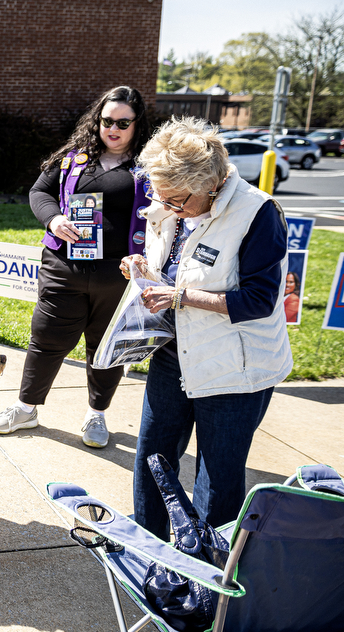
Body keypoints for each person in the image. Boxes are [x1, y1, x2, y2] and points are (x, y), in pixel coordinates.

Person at [122, 116, 292, 541]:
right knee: (153, 458)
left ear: (210, 185)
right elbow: (174, 265)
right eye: (159, 195)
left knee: (217, 480)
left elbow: (259, 301)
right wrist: (144, 269)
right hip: (173, 355)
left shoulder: (257, 213)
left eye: (176, 200)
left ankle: (207, 566)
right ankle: (149, 547)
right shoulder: (171, 201)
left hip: (234, 369)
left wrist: (181, 297)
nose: (166, 206)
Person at [0, 86, 152, 449]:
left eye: (123, 123)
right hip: (64, 268)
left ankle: (97, 414)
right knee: (46, 338)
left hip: (118, 276)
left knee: (106, 346)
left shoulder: (150, 168)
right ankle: (26, 409)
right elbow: (39, 192)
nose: (113, 129)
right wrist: (54, 218)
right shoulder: (73, 159)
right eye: (107, 121)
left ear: (138, 124)